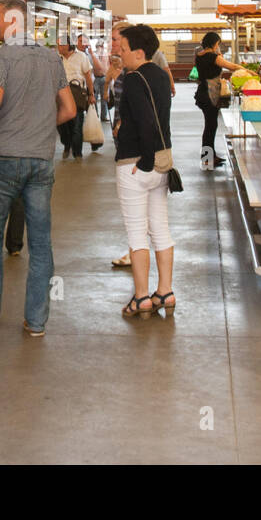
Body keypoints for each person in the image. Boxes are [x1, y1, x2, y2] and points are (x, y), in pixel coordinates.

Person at [0, 0, 75, 336]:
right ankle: (37, 320)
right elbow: (69, 110)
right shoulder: (51, 57)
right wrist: (41, 128)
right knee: (41, 241)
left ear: (12, 20)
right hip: (41, 160)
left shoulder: (1, 58)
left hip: (4, 160)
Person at [115, 25, 176, 318]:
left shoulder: (134, 79)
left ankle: (141, 298)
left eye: (123, 49)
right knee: (160, 228)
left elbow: (145, 121)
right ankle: (165, 291)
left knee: (137, 233)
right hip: (164, 164)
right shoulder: (162, 77)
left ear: (139, 52)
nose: (119, 52)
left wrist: (144, 161)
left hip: (136, 165)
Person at [194, 31, 242, 169]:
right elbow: (231, 66)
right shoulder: (212, 56)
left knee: (210, 125)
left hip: (203, 91)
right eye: (218, 44)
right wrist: (246, 70)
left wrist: (217, 53)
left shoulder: (200, 55)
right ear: (215, 43)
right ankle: (207, 159)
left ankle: (210, 156)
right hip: (211, 93)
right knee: (210, 126)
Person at [57, 40, 95, 159]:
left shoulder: (81, 56)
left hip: (77, 94)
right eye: (58, 44)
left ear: (68, 45)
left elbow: (88, 76)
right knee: (62, 124)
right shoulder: (57, 58)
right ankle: (67, 144)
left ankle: (77, 152)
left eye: (61, 44)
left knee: (76, 124)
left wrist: (91, 94)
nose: (59, 47)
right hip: (60, 95)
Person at [88, 36, 110, 121]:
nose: (101, 47)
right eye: (100, 45)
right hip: (96, 78)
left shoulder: (105, 54)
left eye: (102, 45)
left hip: (104, 77)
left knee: (104, 99)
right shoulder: (94, 54)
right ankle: (96, 116)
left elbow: (106, 65)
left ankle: (103, 116)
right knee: (95, 98)